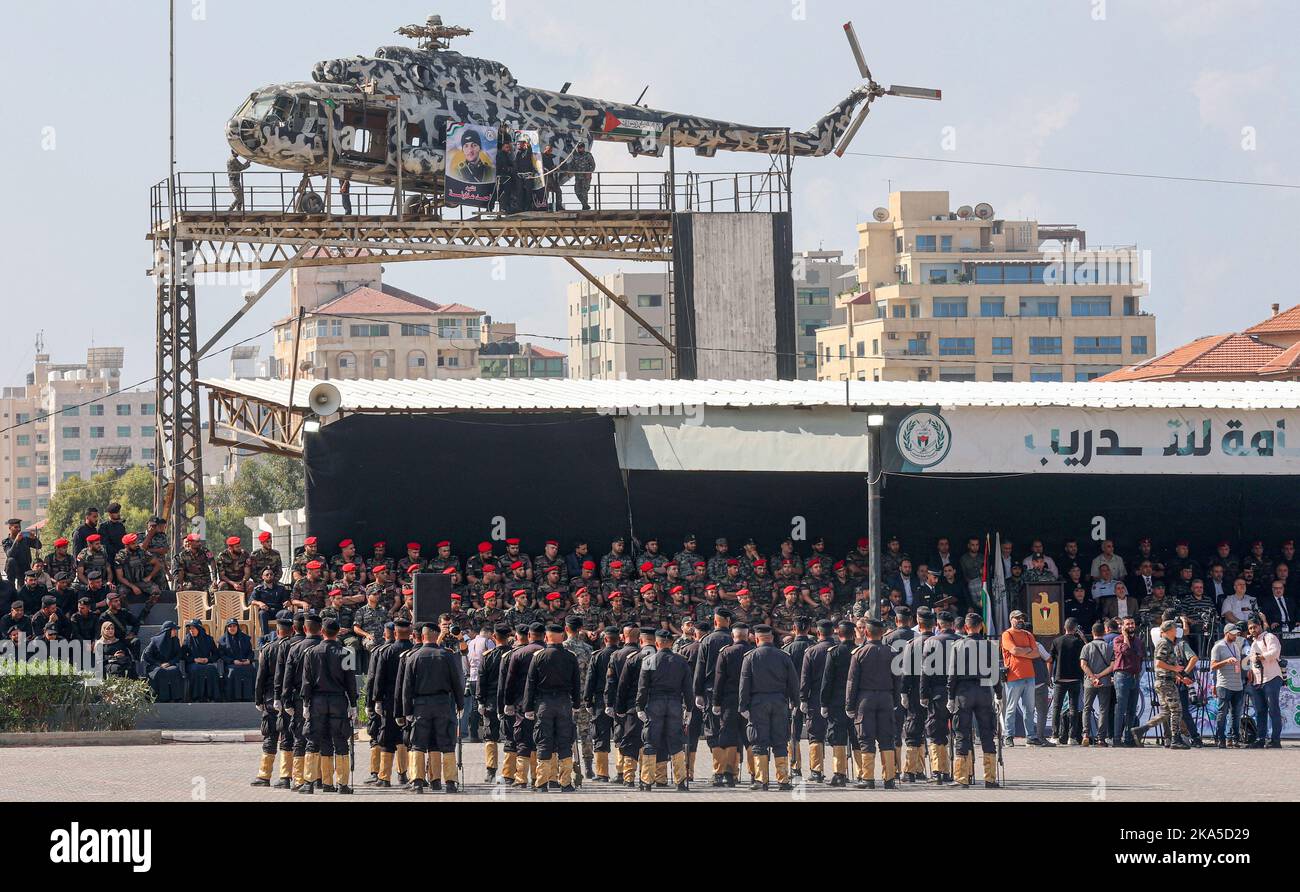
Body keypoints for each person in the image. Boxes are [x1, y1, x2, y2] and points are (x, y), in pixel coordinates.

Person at [401, 622, 464, 793]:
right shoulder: (446, 655)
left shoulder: (413, 657)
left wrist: (406, 711)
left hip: (421, 706)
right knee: (446, 743)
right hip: (443, 704)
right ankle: (450, 782)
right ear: (437, 636)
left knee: (418, 744)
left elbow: (406, 688)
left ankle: (417, 782)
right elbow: (456, 682)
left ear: (422, 637)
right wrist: (460, 704)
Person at [300, 617, 360, 794]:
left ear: (322, 632)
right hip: (338, 701)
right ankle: (342, 784)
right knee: (341, 741)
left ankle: (309, 782)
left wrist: (305, 703)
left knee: (314, 741)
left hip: (317, 701)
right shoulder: (347, 652)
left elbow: (307, 682)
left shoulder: (311, 653)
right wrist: (354, 704)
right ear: (338, 631)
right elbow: (350, 682)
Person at [738, 624, 799, 791]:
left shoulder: (750, 657)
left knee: (759, 741)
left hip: (757, 703)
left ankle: (761, 780)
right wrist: (795, 702)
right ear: (771, 638)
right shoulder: (784, 656)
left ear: (756, 639)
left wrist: (743, 706)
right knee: (780, 741)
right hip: (779, 702)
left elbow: (744, 684)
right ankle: (783, 780)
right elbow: (793, 682)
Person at [523, 623, 582, 792]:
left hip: (544, 704)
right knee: (565, 742)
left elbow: (530, 684)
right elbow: (576, 684)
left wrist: (528, 708)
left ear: (546, 637)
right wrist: (576, 705)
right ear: (562, 637)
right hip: (564, 703)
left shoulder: (539, 656)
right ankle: (565, 783)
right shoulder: (570, 657)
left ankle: (541, 783)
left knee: (543, 742)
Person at [947, 612, 1000, 789]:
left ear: (965, 627)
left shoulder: (958, 645)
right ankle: (990, 778)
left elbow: (952, 675)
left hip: (963, 691)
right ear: (981, 626)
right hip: (984, 689)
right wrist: (998, 694)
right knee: (987, 733)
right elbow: (995, 673)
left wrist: (950, 696)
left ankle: (962, 778)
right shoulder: (990, 646)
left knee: (961, 733)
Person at [846, 618, 900, 789]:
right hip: (886, 698)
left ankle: (868, 778)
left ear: (866, 632)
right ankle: (889, 778)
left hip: (865, 699)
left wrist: (849, 705)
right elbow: (897, 680)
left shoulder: (859, 653)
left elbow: (852, 682)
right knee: (887, 738)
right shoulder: (891, 653)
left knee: (866, 738)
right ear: (882, 633)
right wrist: (896, 701)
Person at [1130, 621, 1191, 749]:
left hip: (1165, 681)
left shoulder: (1168, 643)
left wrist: (1180, 677)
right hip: (1165, 682)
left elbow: (1166, 665)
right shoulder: (1164, 643)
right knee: (1177, 710)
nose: (1176, 630)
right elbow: (1158, 663)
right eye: (1175, 628)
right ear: (1169, 630)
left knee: (1166, 712)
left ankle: (1141, 730)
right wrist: (1174, 668)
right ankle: (1175, 738)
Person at [251, 612, 295, 787]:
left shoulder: (268, 649)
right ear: (291, 630)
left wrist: (258, 700)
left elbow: (260, 678)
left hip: (270, 698)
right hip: (290, 698)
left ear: (277, 632)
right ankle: (285, 777)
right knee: (287, 736)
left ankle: (264, 775)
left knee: (270, 736)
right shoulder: (295, 647)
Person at [819, 621, 857, 787]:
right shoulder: (859, 650)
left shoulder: (834, 652)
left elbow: (827, 680)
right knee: (858, 737)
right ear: (853, 634)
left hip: (836, 701)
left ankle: (839, 774)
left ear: (838, 634)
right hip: (856, 700)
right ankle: (863, 774)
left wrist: (824, 703)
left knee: (838, 737)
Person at [1000, 610, 1041, 745]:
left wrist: (1021, 652)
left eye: (1022, 618)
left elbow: (1036, 653)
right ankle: (1008, 736)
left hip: (1029, 676)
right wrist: (1027, 651)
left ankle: (1031, 736)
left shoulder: (1028, 634)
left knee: (1029, 708)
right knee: (1011, 708)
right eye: (1017, 618)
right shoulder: (1007, 634)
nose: (1020, 620)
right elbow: (1014, 650)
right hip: (1014, 675)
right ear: (1011, 619)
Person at [1245, 617, 1283, 748]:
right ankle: (1261, 739)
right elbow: (1252, 660)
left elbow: (1275, 652)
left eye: (1254, 627)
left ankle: (1275, 740)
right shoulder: (1253, 643)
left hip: (1271, 677)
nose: (1252, 630)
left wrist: (1261, 657)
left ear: (1260, 626)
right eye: (1250, 628)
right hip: (1257, 681)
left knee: (1273, 710)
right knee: (1260, 711)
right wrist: (1250, 670)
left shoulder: (1269, 637)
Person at [1049, 618, 1086, 745]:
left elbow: (1050, 660)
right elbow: (1086, 653)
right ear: (1075, 628)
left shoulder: (1056, 641)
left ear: (1064, 627)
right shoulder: (1078, 642)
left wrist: (1049, 676)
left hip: (1060, 678)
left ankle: (1055, 735)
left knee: (1057, 707)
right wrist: (1083, 638)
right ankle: (1072, 737)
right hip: (1075, 678)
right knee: (1074, 707)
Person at [1210, 623, 1246, 748]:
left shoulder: (1236, 646)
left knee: (1236, 714)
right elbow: (1213, 666)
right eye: (1234, 633)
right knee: (1222, 713)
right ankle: (1221, 739)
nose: (1236, 635)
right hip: (1224, 684)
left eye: (1237, 633)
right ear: (1227, 633)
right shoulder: (1218, 647)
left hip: (1237, 685)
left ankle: (1234, 739)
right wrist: (1226, 661)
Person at [1110, 616, 1144, 747]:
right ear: (1122, 626)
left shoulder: (1139, 641)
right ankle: (1117, 739)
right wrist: (1124, 636)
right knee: (1120, 708)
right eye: (1128, 624)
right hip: (1122, 676)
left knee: (1131, 710)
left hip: (1135, 676)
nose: (1131, 626)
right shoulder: (1117, 639)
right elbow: (1126, 651)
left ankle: (1129, 739)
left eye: (1132, 623)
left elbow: (1139, 657)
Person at [1079, 622, 1114, 746]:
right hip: (1105, 682)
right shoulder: (1109, 647)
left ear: (1093, 633)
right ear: (1104, 632)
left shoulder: (1087, 647)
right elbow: (1112, 666)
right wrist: (1100, 676)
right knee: (1103, 709)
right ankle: (1101, 738)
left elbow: (1083, 665)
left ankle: (1085, 734)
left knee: (1087, 708)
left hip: (1089, 682)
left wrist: (1093, 677)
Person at [142, 621, 185, 702]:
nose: (176, 631)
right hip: (155, 665)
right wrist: (159, 664)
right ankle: (161, 698)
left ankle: (176, 698)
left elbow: (179, 655)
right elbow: (147, 655)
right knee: (160, 671)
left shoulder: (175, 640)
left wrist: (169, 663)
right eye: (174, 629)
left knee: (174, 670)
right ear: (168, 631)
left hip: (169, 663)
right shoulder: (155, 640)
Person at [181, 618, 221, 702]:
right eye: (190, 629)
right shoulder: (188, 639)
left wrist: (208, 659)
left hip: (206, 663)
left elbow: (216, 654)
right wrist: (194, 659)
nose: (191, 631)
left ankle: (211, 696)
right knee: (197, 669)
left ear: (199, 629)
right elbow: (182, 655)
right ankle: (197, 697)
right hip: (193, 663)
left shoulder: (208, 639)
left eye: (193, 628)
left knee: (212, 669)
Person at [219, 617, 256, 702]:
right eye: (230, 626)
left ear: (237, 627)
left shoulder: (245, 638)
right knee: (233, 671)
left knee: (251, 669)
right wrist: (232, 661)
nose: (232, 628)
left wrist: (249, 660)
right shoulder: (222, 640)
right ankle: (233, 697)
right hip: (231, 664)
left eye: (234, 626)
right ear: (227, 628)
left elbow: (250, 652)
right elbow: (221, 655)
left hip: (245, 663)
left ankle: (249, 696)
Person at [568, 140, 596, 210]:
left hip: (585, 177)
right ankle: (585, 205)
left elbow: (593, 165)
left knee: (584, 191)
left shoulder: (588, 155)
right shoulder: (575, 156)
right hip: (578, 177)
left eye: (581, 147)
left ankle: (585, 206)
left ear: (583, 148)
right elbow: (571, 165)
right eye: (578, 147)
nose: (579, 149)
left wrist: (589, 173)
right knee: (577, 191)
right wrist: (569, 171)